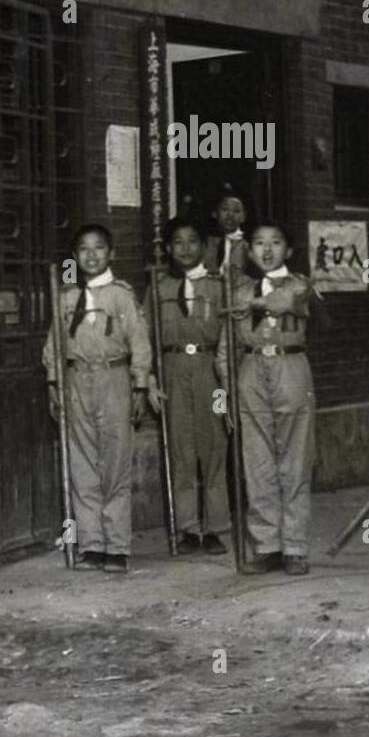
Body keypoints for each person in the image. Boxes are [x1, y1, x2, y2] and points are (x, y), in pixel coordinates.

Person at [43, 224, 152, 574]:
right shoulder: (66, 298)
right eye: (84, 249)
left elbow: (139, 343)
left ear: (112, 254)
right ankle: (92, 544)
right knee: (83, 465)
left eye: (99, 248)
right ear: (75, 256)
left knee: (115, 463)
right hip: (77, 380)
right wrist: (54, 382)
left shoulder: (121, 296)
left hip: (114, 378)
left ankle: (117, 546)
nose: (92, 255)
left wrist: (139, 387)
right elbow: (54, 345)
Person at [216, 220, 316, 576]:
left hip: (290, 368)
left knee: (294, 458)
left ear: (288, 250)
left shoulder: (300, 283)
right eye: (258, 243)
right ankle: (268, 545)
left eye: (276, 242)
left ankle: (295, 547)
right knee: (256, 461)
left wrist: (254, 303)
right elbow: (225, 347)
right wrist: (226, 393)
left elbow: (287, 300)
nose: (267, 250)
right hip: (251, 370)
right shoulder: (240, 290)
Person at [144, 217, 229, 555]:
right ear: (168, 248)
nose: (185, 249)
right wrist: (149, 379)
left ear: (204, 246)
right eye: (177, 242)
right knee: (180, 450)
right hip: (174, 373)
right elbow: (146, 338)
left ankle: (215, 527)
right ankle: (188, 528)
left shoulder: (219, 287)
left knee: (215, 447)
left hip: (214, 376)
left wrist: (228, 387)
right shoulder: (159, 289)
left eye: (192, 241)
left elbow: (230, 337)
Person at [203, 192, 250, 276]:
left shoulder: (248, 246)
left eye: (236, 211)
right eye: (225, 209)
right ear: (215, 213)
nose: (230, 215)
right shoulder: (205, 243)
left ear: (243, 217)